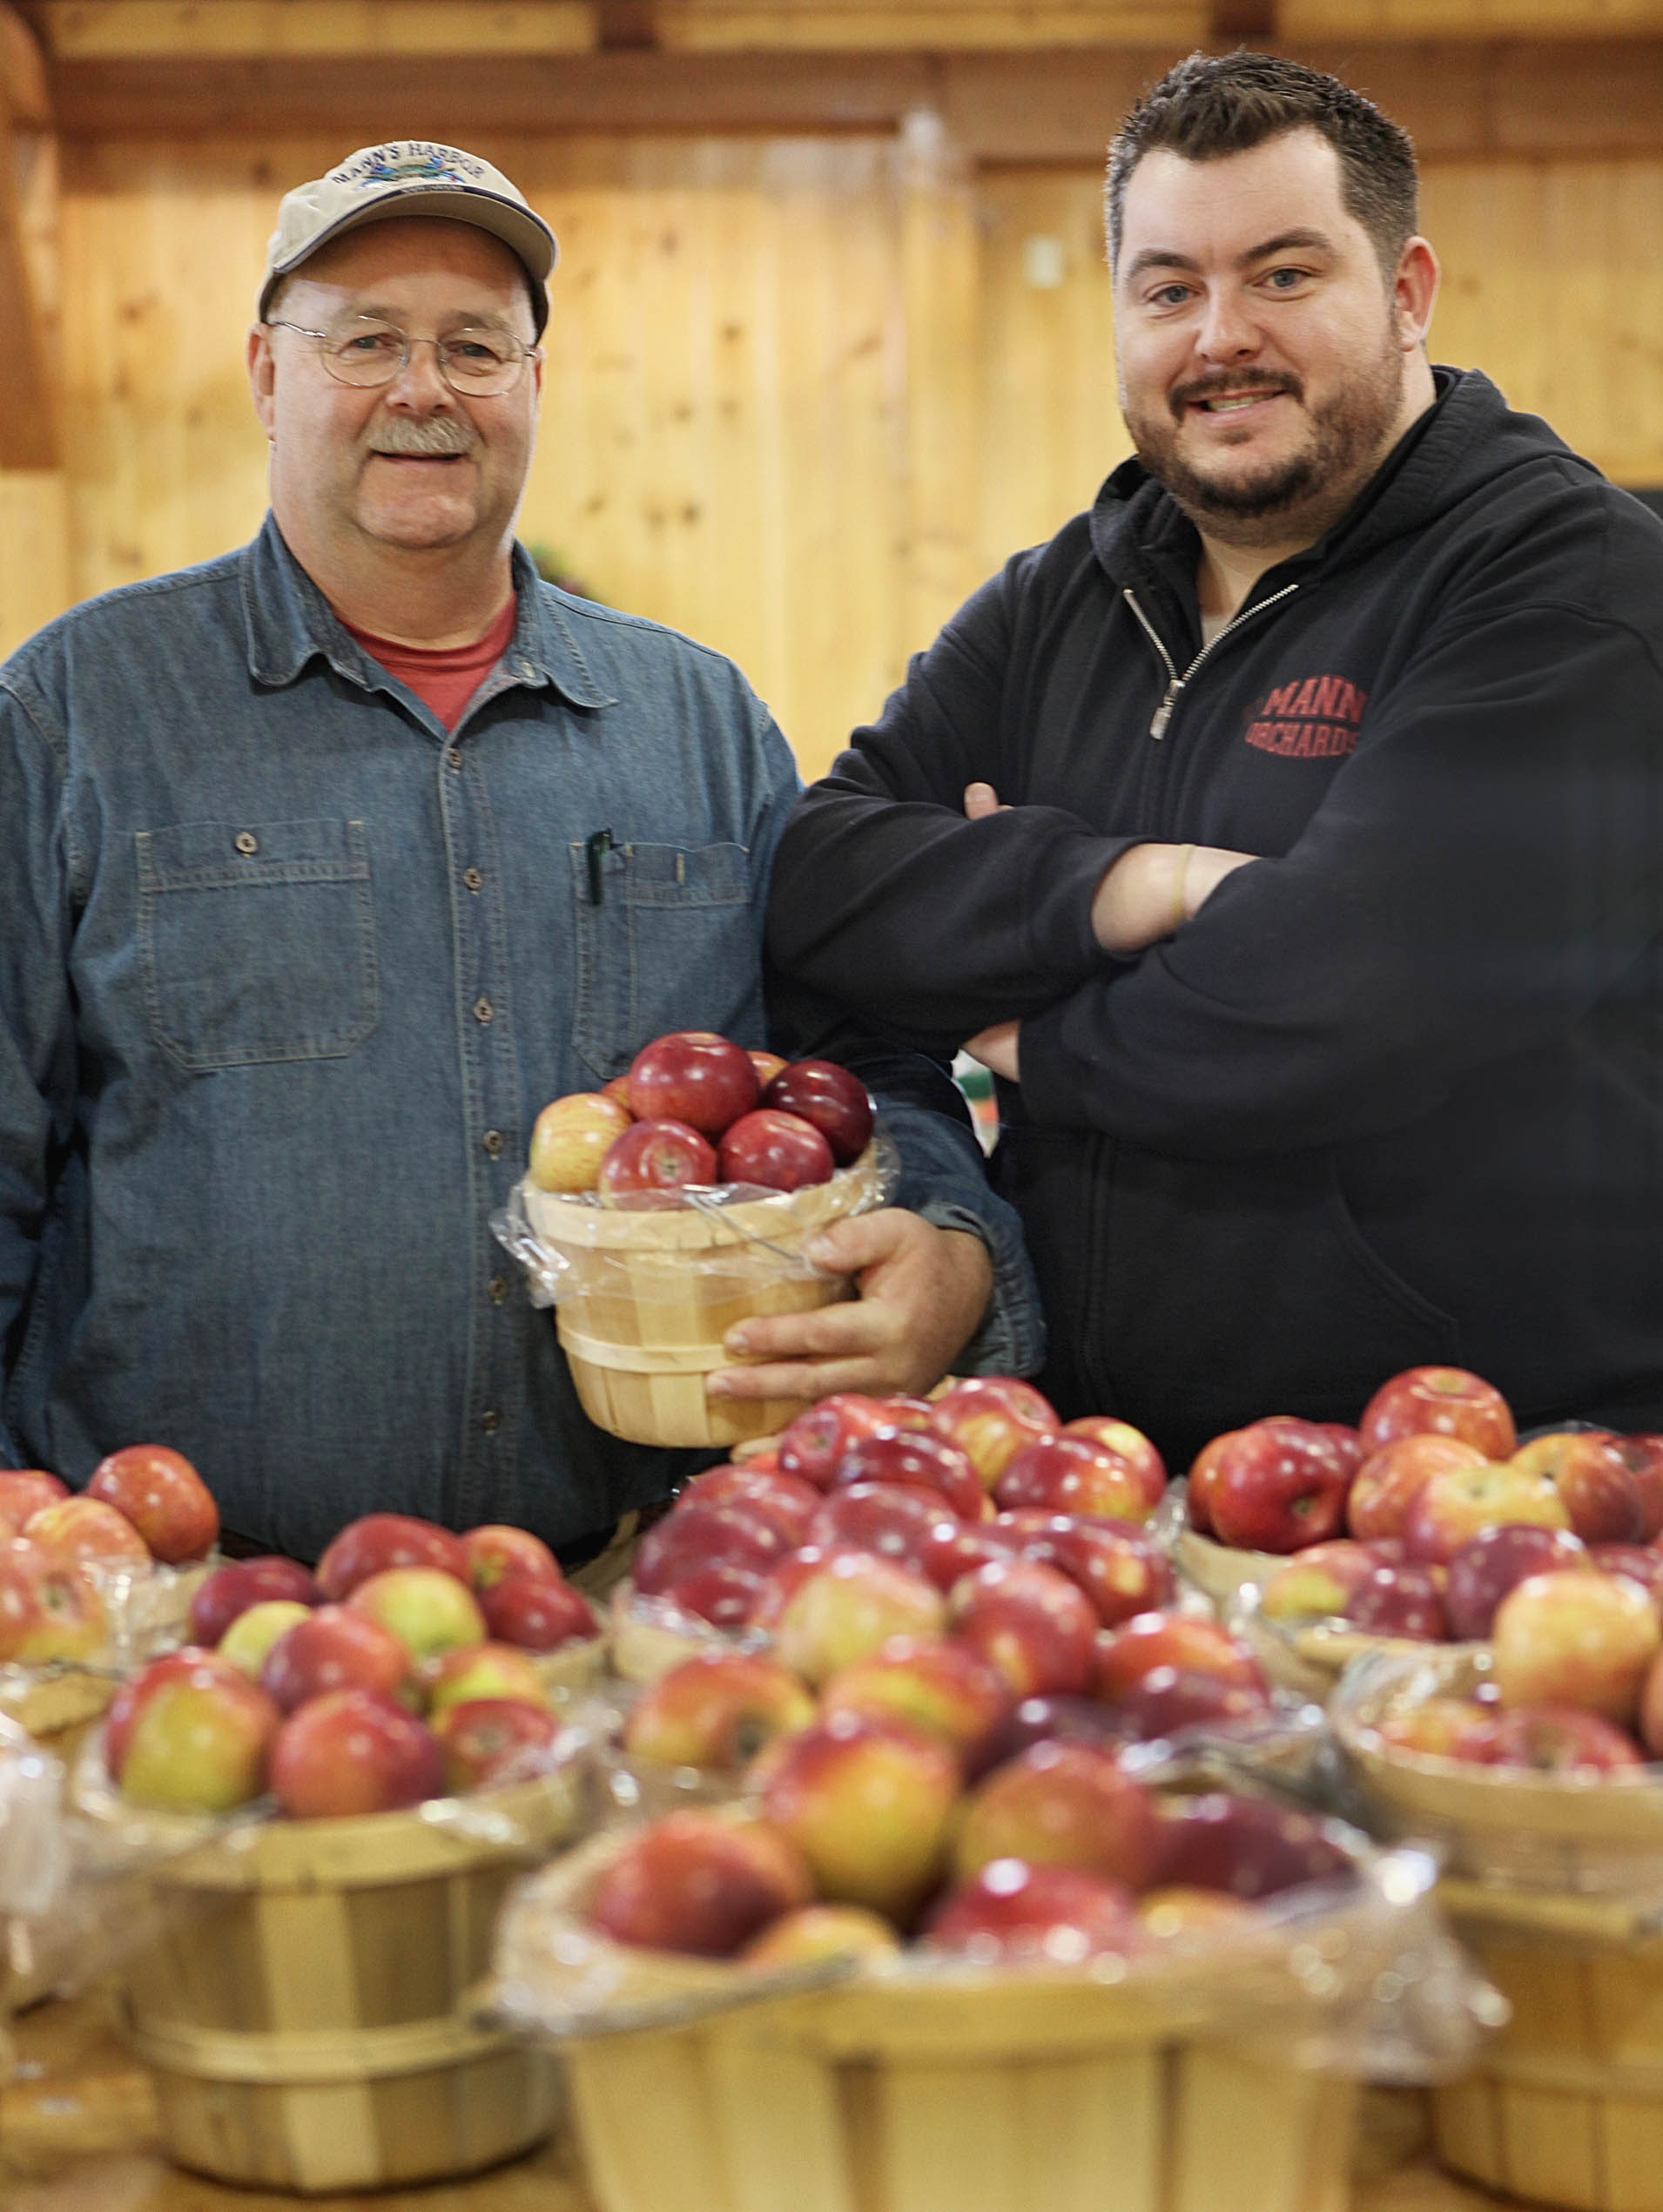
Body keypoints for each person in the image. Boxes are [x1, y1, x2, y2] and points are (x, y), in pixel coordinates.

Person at [0, 140, 1039, 1565]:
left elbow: (862, 1063)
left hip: (630, 1592)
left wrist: (947, 1240)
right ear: (265, 375)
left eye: (474, 347)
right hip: (180, 1611)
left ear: (533, 387)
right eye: (365, 340)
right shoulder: (78, 713)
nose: (422, 391)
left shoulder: (701, 724)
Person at [766, 53, 1663, 1472]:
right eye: (1169, 288)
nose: (1218, 337)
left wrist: (1034, 1036)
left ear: (1408, 291)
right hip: (1098, 1476)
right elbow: (820, 877)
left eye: (1284, 276)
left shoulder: (1567, 583)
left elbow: (1353, 995)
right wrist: (1135, 885)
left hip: (1489, 1484)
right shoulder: (1067, 588)